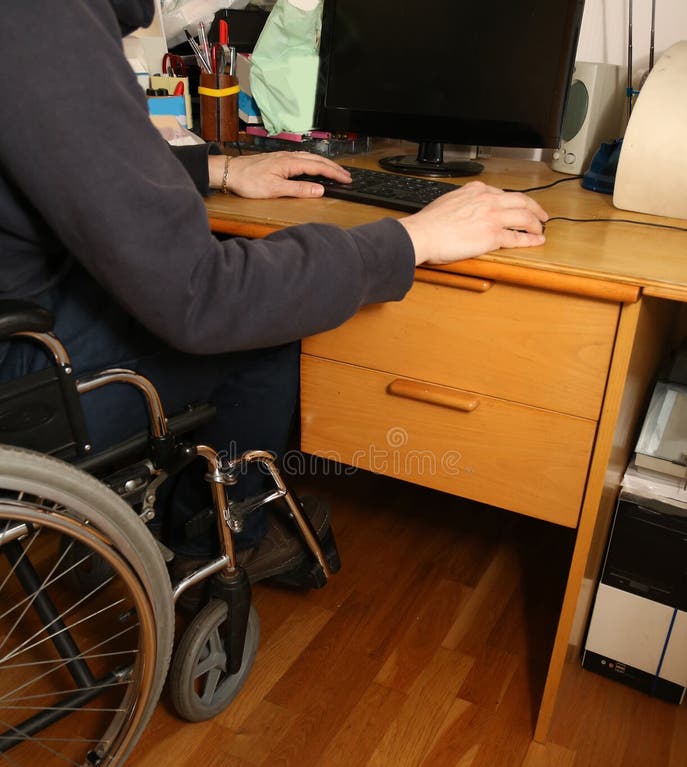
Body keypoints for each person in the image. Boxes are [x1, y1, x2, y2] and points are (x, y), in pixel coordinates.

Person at [0, 0, 548, 585]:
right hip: (21, 382)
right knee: (262, 327)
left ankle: (192, 505)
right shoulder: (42, 16)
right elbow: (205, 297)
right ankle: (215, 540)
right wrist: (413, 238)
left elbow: (66, 159)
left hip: (21, 321)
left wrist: (220, 170)